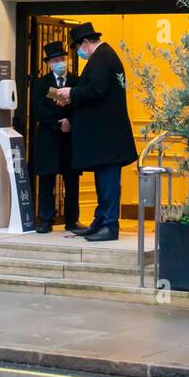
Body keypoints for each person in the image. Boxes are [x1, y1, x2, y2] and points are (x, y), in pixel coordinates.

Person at [49, 22, 137, 243]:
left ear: (87, 43)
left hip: (107, 138)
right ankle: (100, 221)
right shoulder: (103, 57)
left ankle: (109, 225)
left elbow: (96, 89)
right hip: (104, 138)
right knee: (103, 181)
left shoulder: (103, 57)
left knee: (108, 182)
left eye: (79, 46)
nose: (79, 52)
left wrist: (72, 93)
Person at [29, 41, 87, 235]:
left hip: (70, 140)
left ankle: (72, 220)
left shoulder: (76, 81)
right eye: (56, 60)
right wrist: (58, 123)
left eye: (62, 59)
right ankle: (45, 220)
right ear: (49, 64)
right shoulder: (41, 83)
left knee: (71, 180)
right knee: (47, 180)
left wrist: (69, 122)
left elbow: (81, 106)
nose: (60, 62)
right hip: (48, 138)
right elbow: (38, 109)